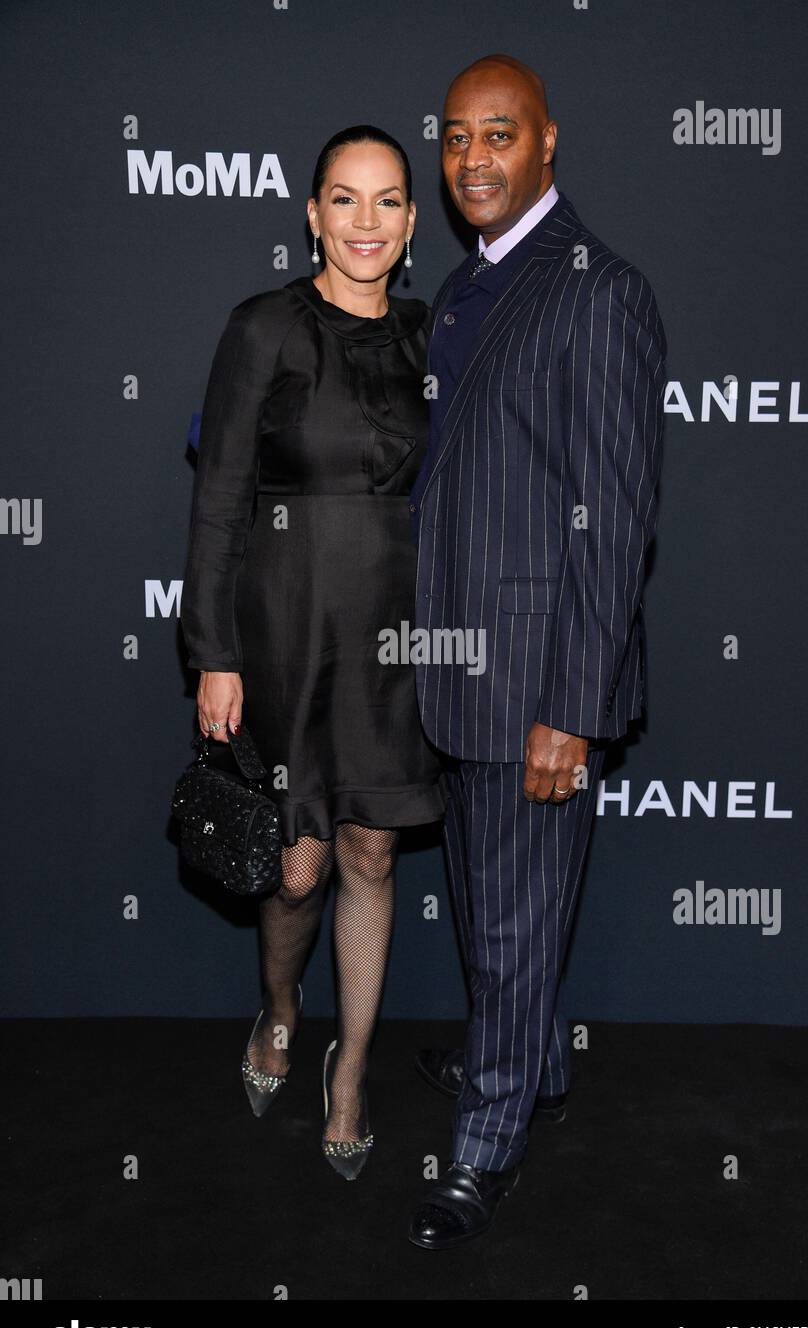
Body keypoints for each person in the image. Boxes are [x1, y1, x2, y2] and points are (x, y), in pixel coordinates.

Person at [406, 55, 668, 1246]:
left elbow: (612, 522)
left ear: (547, 144)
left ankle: (486, 1142)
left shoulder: (596, 291)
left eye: (497, 135)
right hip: (459, 668)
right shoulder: (469, 285)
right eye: (455, 138)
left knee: (513, 924)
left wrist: (570, 704)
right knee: (484, 905)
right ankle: (530, 1071)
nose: (471, 159)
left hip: (536, 682)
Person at [180, 126, 446, 1181]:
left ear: (414, 221)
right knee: (294, 872)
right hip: (284, 631)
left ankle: (351, 1071)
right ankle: (282, 1007)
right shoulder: (264, 329)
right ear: (312, 212)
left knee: (372, 855)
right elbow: (216, 502)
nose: (366, 222)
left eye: (388, 202)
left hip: (397, 636)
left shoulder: (436, 336)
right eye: (345, 199)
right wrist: (214, 652)